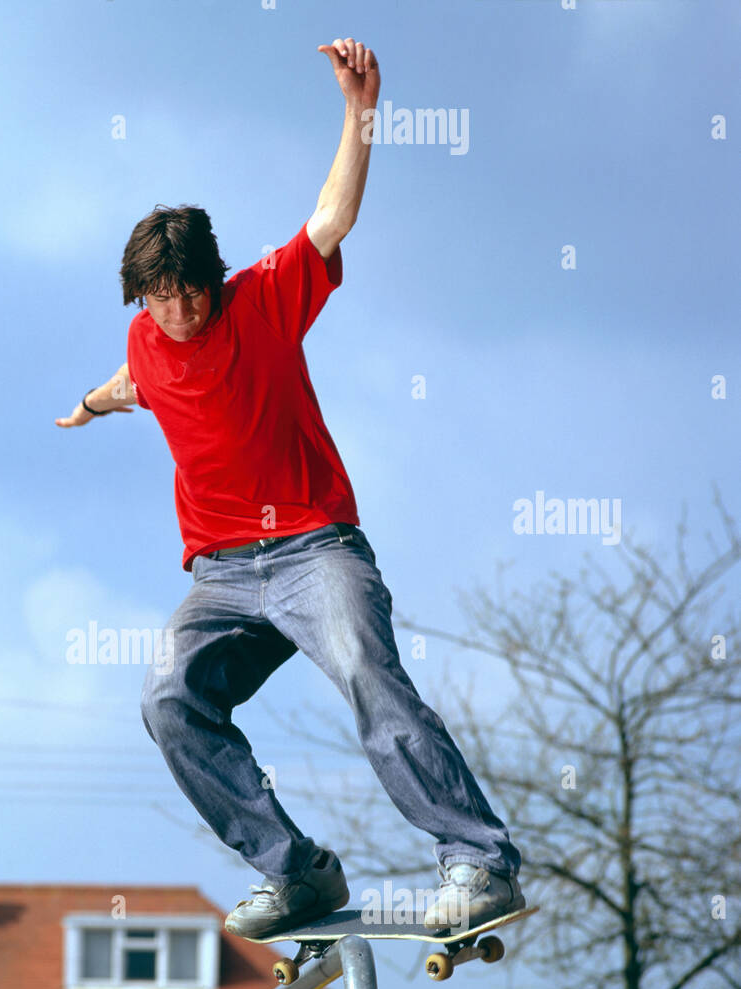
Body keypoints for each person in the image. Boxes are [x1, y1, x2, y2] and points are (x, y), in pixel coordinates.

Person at [55, 39, 522, 939]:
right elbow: (131, 385)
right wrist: (87, 404)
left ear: (214, 279)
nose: (183, 314)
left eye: (194, 293)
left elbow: (332, 213)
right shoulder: (147, 344)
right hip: (221, 579)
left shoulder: (264, 297)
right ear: (139, 296)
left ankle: (477, 860)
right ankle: (297, 872)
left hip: (314, 549)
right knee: (168, 700)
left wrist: (360, 108)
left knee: (363, 670)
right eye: (164, 299)